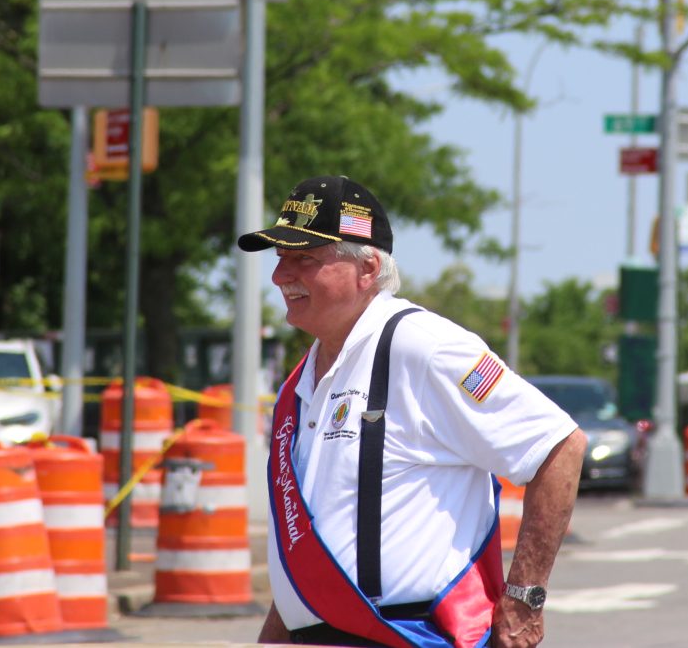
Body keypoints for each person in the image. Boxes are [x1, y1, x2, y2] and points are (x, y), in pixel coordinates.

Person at [238, 175, 587, 648]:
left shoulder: (425, 346)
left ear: (367, 268)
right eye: (280, 258)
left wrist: (523, 599)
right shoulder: (304, 380)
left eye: (304, 259)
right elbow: (314, 539)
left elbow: (559, 446)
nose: (281, 276)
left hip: (409, 632)